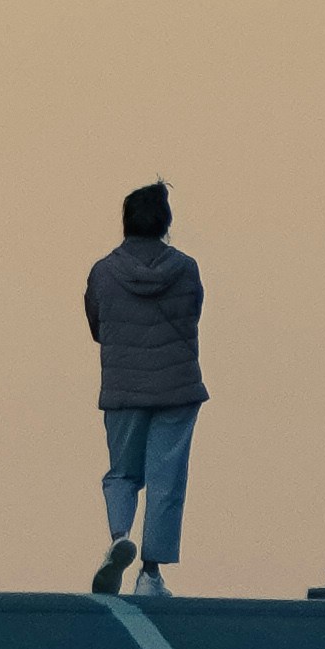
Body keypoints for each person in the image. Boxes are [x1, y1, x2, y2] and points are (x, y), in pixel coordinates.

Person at [84, 180, 205, 599]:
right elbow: (193, 314)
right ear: (165, 224)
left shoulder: (103, 271)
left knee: (122, 471)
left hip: (123, 387)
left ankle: (120, 537)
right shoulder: (186, 268)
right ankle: (150, 575)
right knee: (166, 479)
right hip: (178, 387)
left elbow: (96, 326)